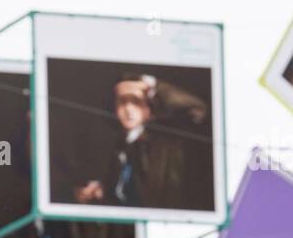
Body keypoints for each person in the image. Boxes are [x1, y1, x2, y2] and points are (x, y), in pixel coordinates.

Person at [72, 74, 209, 212]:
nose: (128, 109)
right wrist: (101, 191)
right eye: (122, 102)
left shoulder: (165, 140)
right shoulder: (121, 146)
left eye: (136, 102)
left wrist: (154, 85)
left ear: (148, 109)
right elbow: (125, 193)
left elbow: (198, 109)